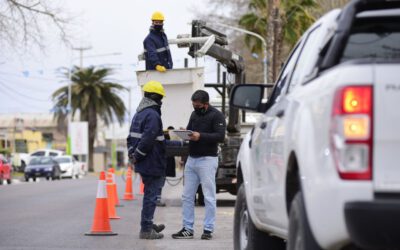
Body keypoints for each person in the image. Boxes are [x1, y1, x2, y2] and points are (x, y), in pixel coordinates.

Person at [127, 80, 181, 240]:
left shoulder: (139, 113)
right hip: (152, 162)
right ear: (154, 96)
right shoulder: (152, 114)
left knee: (149, 195)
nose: (161, 101)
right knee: (151, 196)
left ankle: (148, 224)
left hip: (146, 162)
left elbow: (131, 138)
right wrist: (137, 155)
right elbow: (148, 140)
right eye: (160, 97)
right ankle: (146, 229)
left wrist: (133, 155)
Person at [172, 90, 226, 240]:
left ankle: (208, 229)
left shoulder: (217, 115)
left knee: (209, 196)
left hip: (207, 160)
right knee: (187, 196)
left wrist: (200, 136)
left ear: (205, 104)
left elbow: (220, 136)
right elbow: (191, 131)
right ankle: (187, 229)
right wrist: (186, 132)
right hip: (192, 159)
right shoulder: (194, 114)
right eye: (193, 105)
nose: (195, 108)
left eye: (198, 105)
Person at [156, 126, 176, 207]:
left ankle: (155, 199)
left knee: (159, 182)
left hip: (161, 162)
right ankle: (156, 199)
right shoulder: (162, 139)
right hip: (159, 163)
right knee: (159, 182)